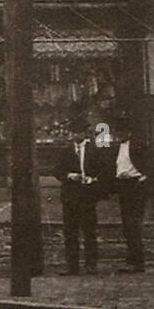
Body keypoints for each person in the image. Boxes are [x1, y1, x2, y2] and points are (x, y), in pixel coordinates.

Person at [53, 117, 113, 275]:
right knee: (70, 232)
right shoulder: (65, 150)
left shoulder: (95, 150)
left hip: (87, 194)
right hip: (70, 195)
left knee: (89, 231)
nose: (76, 135)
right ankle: (72, 266)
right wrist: (68, 176)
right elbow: (57, 170)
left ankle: (91, 264)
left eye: (79, 132)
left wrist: (94, 179)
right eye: (74, 133)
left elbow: (105, 169)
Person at [110, 120, 148, 273]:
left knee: (134, 224)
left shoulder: (138, 147)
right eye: (118, 133)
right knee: (127, 224)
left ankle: (138, 261)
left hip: (135, 185)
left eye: (123, 132)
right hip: (123, 186)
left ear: (129, 133)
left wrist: (143, 178)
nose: (120, 135)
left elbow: (149, 165)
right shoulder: (116, 148)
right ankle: (132, 258)